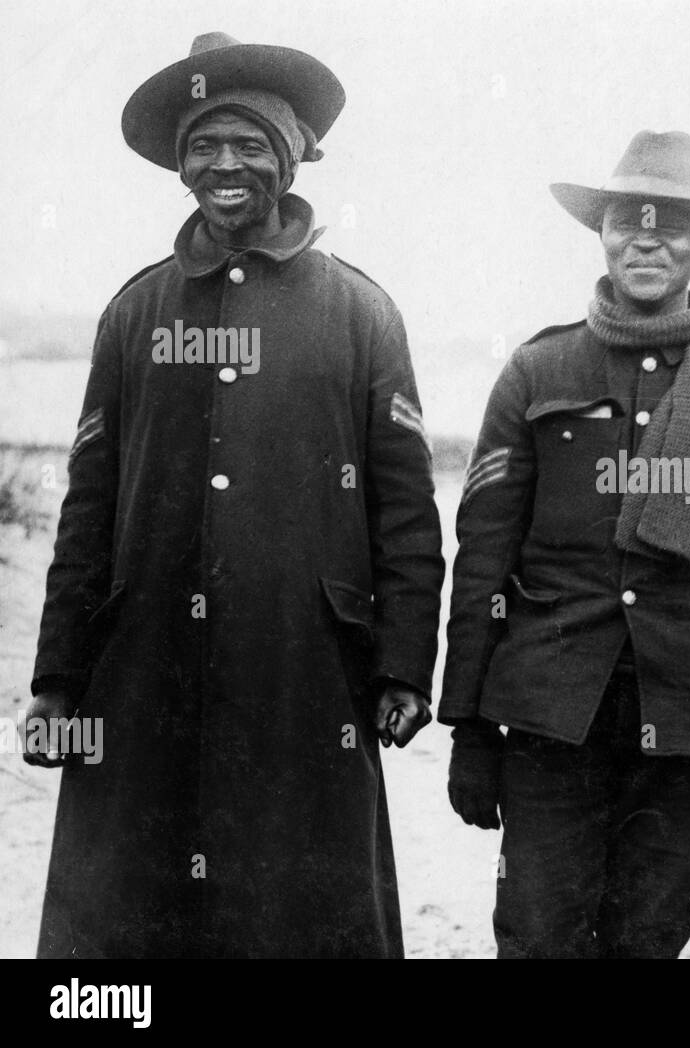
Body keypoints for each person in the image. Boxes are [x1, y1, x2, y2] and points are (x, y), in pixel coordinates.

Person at [23, 32, 444, 958]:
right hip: (142, 674)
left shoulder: (360, 313)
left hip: (305, 673)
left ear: (288, 160)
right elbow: (87, 510)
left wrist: (406, 665)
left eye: (250, 145)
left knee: (297, 914)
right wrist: (57, 682)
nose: (226, 165)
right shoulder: (135, 312)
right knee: (128, 925)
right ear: (182, 166)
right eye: (205, 147)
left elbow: (406, 512)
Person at [439, 131, 690, 958]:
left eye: (672, 225)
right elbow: (483, 554)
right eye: (626, 222)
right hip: (549, 711)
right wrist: (465, 724)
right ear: (600, 234)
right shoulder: (540, 370)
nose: (647, 239)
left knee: (647, 936)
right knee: (537, 934)